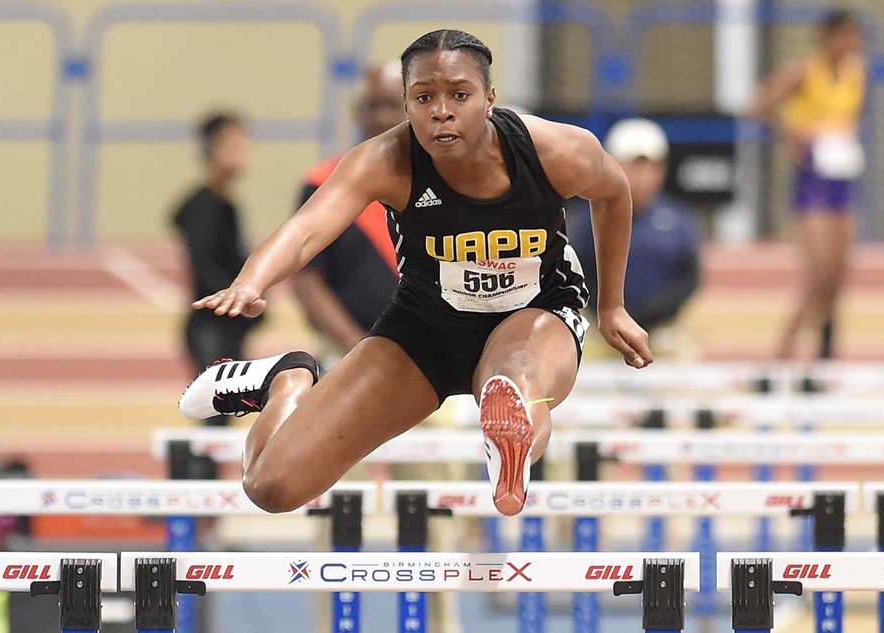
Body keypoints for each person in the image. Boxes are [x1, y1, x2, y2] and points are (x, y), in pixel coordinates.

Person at [179, 29, 652, 517]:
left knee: (516, 378)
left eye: (459, 95)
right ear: (407, 104)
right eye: (423, 97)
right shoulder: (385, 161)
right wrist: (251, 281)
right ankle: (289, 381)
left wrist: (612, 305)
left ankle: (510, 440)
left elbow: (614, 192)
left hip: (537, 312)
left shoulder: (554, 151)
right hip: (424, 331)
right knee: (271, 487)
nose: (441, 111)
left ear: (489, 98)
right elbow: (305, 230)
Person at [753, 9, 865, 361]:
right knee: (817, 274)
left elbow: (848, 118)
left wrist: (844, 136)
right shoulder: (803, 71)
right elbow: (761, 105)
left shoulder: (856, 73)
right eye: (844, 36)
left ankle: (826, 349)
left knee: (838, 274)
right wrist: (795, 136)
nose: (850, 44)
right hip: (813, 180)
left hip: (842, 178)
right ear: (828, 37)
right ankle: (784, 351)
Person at [291, 62, 406, 354]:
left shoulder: (439, 184)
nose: (381, 117)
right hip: (349, 354)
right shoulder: (323, 184)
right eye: (372, 106)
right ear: (358, 111)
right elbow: (307, 279)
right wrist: (356, 347)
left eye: (393, 106)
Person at [573, 118, 701, 347]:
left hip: (662, 331)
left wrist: (648, 316)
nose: (642, 175)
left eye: (651, 166)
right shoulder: (587, 220)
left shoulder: (678, 220)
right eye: (633, 165)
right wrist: (610, 312)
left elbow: (688, 278)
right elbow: (579, 273)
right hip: (599, 328)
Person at [172, 112, 262, 426]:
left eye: (244, 144)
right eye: (233, 145)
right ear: (211, 150)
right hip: (209, 327)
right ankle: (196, 476)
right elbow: (206, 271)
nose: (243, 152)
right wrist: (240, 300)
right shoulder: (203, 206)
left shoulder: (226, 205)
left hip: (226, 325)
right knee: (215, 419)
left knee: (221, 417)